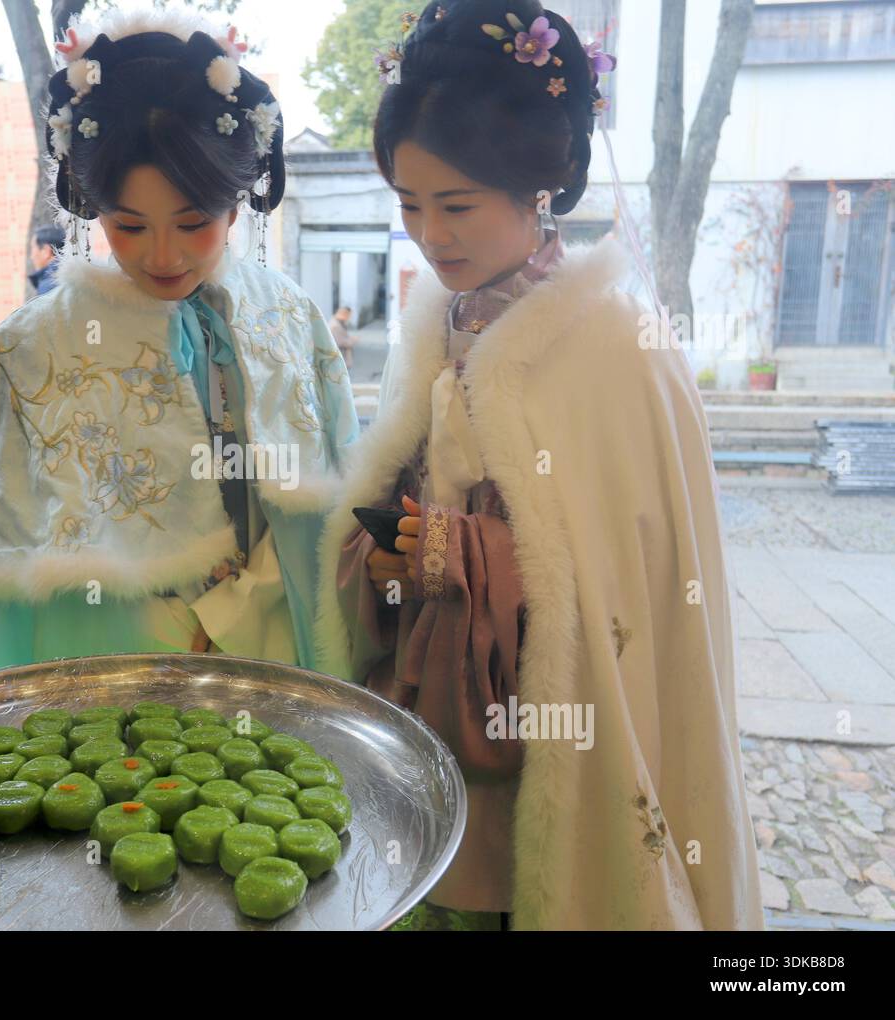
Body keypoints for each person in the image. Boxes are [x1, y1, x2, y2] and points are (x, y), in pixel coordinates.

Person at [315, 0, 762, 930]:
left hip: (548, 720)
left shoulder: (617, 346)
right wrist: (387, 552)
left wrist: (456, 553)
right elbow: (389, 504)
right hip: (438, 695)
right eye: (409, 207)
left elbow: (613, 589)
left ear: (537, 190)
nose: (433, 236)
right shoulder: (432, 322)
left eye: (458, 205)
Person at [0, 9, 358, 677]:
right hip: (111, 655)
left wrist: (242, 603)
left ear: (235, 205)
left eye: (193, 223)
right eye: (130, 225)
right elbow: (15, 561)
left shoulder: (287, 317)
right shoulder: (28, 350)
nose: (163, 255)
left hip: (276, 637)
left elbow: (328, 511)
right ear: (91, 205)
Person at [28, 226, 65, 295]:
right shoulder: (76, 278)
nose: (32, 257)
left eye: (33, 248)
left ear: (46, 251)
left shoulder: (48, 286)